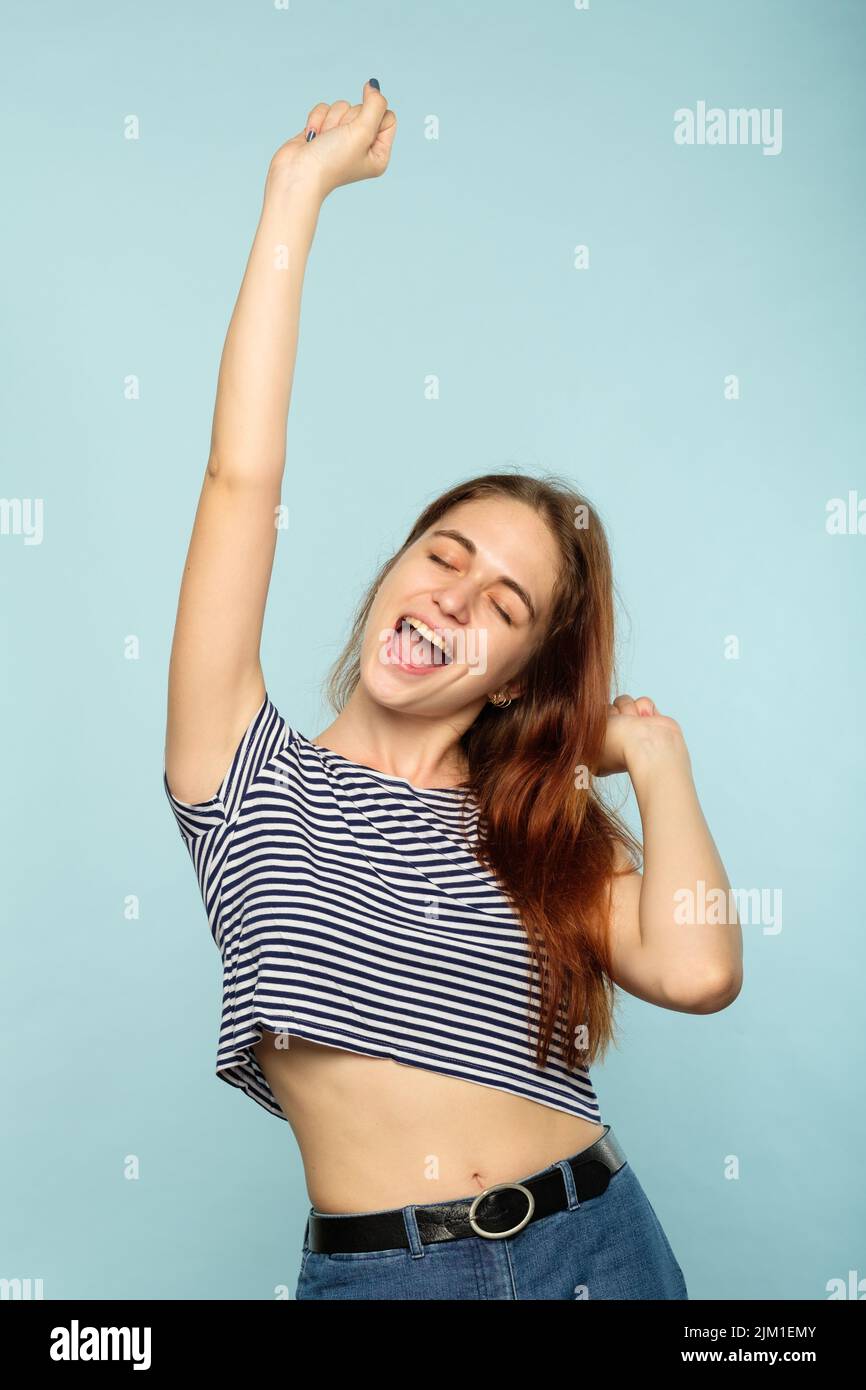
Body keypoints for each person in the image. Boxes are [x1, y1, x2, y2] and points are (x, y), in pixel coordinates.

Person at [163, 79, 743, 1301]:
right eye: (443, 557)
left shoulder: (533, 825)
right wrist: (295, 192)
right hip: (390, 1281)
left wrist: (658, 757)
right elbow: (235, 476)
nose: (454, 600)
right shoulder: (242, 767)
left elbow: (695, 973)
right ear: (392, 571)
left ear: (514, 676)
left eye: (505, 604)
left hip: (601, 1244)